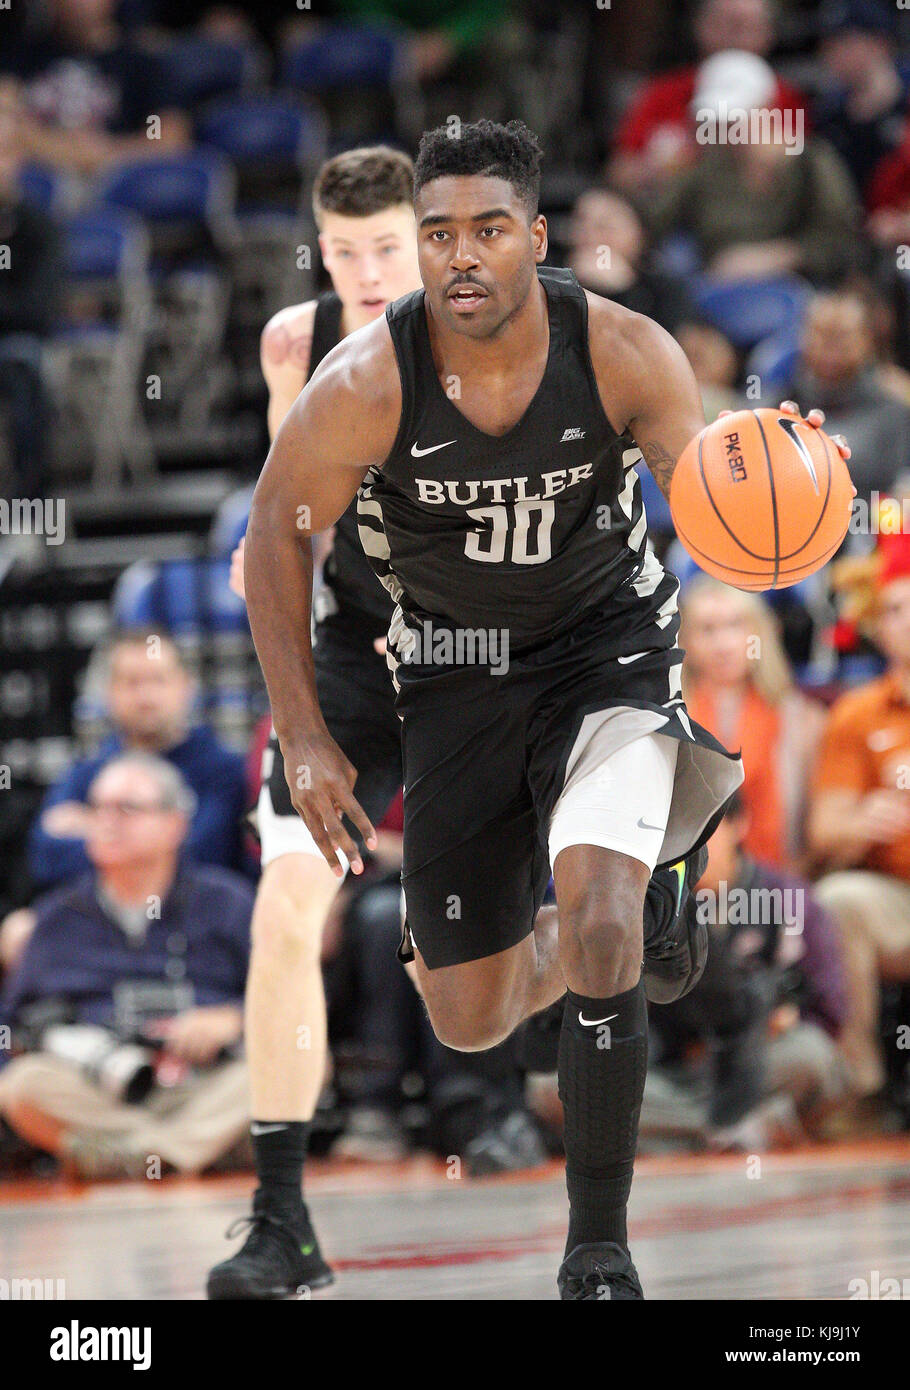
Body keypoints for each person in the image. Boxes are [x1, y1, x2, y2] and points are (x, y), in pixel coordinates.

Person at [241, 117, 760, 1300]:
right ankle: (589, 944)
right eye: (437, 235)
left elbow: (723, 505)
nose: (459, 256)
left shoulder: (623, 351)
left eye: (485, 230)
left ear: (535, 236)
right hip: (452, 677)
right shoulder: (366, 381)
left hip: (604, 656)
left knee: (603, 914)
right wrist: (306, 735)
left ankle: (598, 1250)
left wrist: (802, 504)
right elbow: (276, 541)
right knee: (468, 1018)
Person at [0, 754, 254, 1178]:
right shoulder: (56, 917)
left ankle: (132, 1156)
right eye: (96, 808)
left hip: (206, 1084)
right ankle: (186, 1152)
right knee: (23, 1084)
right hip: (103, 1093)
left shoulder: (228, 901)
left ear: (175, 823)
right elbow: (10, 1027)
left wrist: (234, 1018)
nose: (107, 821)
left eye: (127, 808)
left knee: (303, 1059)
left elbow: (290, 998)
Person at [642, 793, 847, 1151]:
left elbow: (830, 1013)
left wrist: (786, 1018)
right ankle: (734, 1132)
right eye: (676, 833)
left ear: (739, 825)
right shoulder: (651, 908)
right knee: (559, 1086)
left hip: (760, 1063)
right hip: (676, 1073)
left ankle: (679, 1136)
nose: (689, 845)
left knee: (816, 1059)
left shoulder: (789, 899)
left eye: (702, 828)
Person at [809, 533, 910, 1113]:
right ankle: (862, 1089)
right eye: (894, 607)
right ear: (876, 623)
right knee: (841, 898)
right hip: (895, 895)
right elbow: (825, 830)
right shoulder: (857, 712)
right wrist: (860, 822)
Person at [27, 628, 247, 889]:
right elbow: (46, 858)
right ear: (108, 692)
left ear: (186, 686)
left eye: (158, 680)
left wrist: (94, 829)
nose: (145, 697)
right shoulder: (86, 771)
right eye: (132, 682)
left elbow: (205, 855)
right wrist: (153, 837)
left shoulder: (224, 771)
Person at [647, 52, 859, 284]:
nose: (727, 131)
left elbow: (841, 239)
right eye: (718, 121)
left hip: (802, 292)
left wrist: (772, 257)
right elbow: (655, 222)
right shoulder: (707, 164)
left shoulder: (812, 161)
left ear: (768, 108)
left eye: (735, 119)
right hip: (716, 291)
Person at [679, 576, 826, 869]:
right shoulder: (670, 722)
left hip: (782, 879)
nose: (723, 643)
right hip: (688, 885)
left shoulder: (803, 719)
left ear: (759, 634)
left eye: (735, 625)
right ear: (686, 641)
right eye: (707, 629)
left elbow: (816, 831)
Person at [608, 0, 806, 196]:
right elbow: (619, 171)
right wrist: (669, 164)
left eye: (747, 26)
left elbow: (803, 176)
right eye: (724, 22)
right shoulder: (663, 92)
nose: (734, 35)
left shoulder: (787, 97)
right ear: (700, 25)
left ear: (768, 33)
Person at [0, 0, 189, 177]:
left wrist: (108, 152)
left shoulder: (141, 66)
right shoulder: (22, 56)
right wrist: (60, 148)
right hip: (34, 173)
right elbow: (6, 115)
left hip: (111, 180)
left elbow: (164, 138)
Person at [772, 291, 910, 518]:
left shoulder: (893, 413)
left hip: (869, 536)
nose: (830, 346)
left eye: (842, 335)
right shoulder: (777, 405)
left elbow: (902, 493)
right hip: (790, 530)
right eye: (820, 333)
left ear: (867, 340)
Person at [0, 79, 62, 499]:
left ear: (18, 159)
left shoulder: (39, 227)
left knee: (22, 367)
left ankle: (28, 503)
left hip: (19, 344)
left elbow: (36, 311)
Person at [565, 187, 700, 340]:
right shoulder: (548, 278)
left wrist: (621, 291)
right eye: (580, 224)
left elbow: (659, 351)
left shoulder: (666, 291)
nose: (590, 237)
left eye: (605, 227)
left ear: (639, 235)